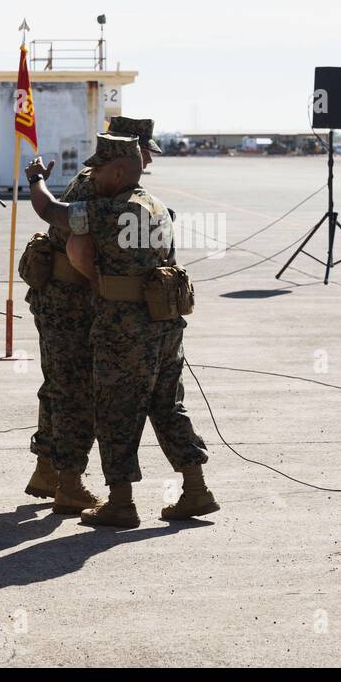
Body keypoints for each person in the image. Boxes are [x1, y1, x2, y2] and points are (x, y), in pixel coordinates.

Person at [25, 133, 218, 528]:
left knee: (116, 411)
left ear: (117, 171)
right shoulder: (160, 208)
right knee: (167, 406)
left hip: (124, 326)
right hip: (165, 323)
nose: (92, 176)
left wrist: (35, 180)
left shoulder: (106, 212)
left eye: (98, 170)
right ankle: (196, 488)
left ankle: (120, 502)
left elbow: (51, 212)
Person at [21, 115, 162, 504]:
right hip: (70, 299)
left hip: (61, 296)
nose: (147, 162)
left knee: (60, 386)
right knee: (74, 391)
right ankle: (67, 482)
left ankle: (48, 470)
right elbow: (76, 244)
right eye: (144, 153)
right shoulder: (100, 186)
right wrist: (102, 286)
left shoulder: (99, 179)